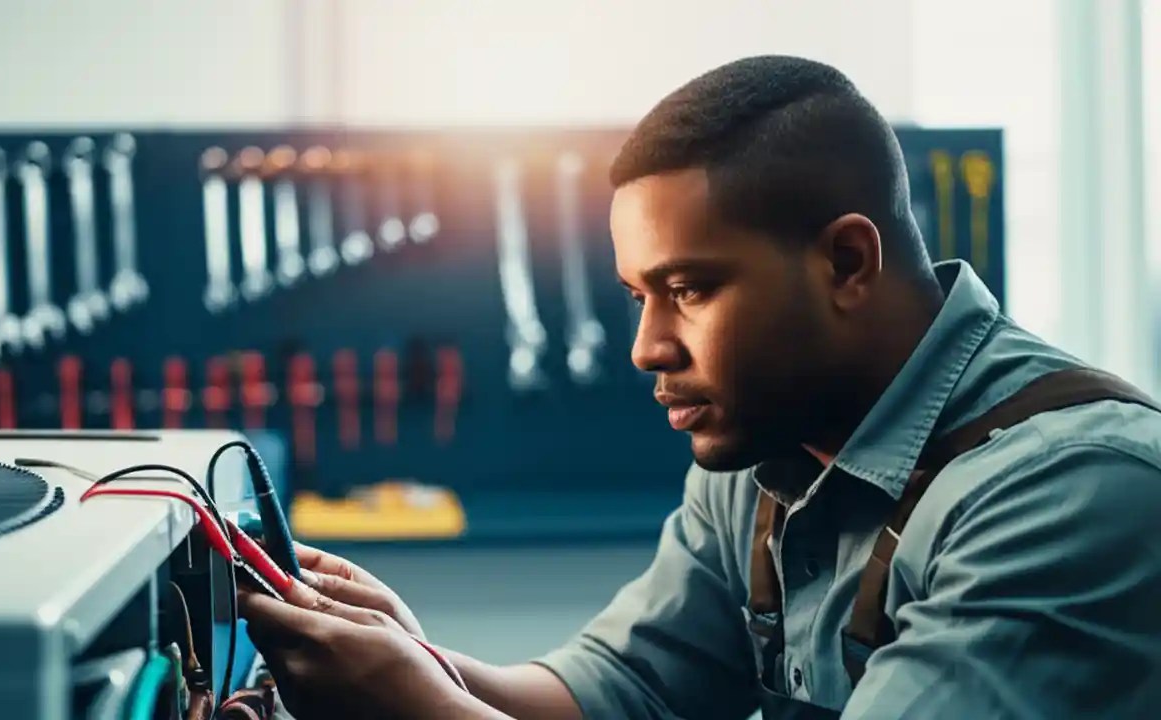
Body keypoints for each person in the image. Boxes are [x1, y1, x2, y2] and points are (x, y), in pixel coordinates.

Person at [237, 55, 1161, 719]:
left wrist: (423, 711)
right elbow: (626, 692)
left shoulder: (1073, 493)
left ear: (846, 261)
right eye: (640, 296)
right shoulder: (764, 449)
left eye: (689, 290)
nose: (647, 347)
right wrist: (421, 662)